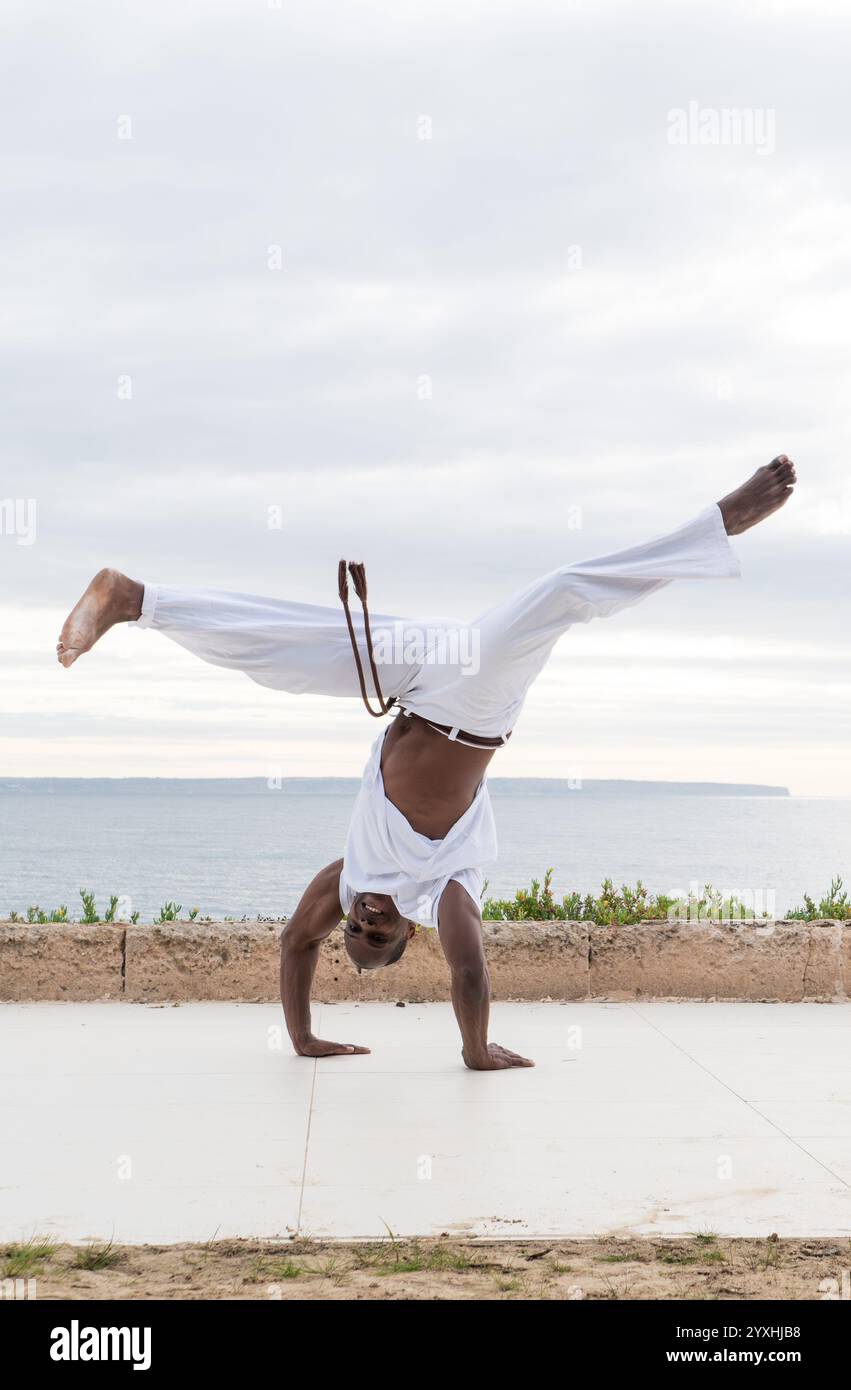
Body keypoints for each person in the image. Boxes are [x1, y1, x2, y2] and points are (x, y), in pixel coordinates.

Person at [57, 457, 797, 1069]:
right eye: (380, 934)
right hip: (475, 700)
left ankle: (133, 598)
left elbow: (292, 945)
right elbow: (468, 970)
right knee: (562, 591)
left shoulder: (347, 882)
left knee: (290, 649)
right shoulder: (443, 891)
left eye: (356, 929)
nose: (369, 920)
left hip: (412, 677)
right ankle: (716, 526)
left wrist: (303, 1037)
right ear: (408, 934)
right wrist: (475, 1051)